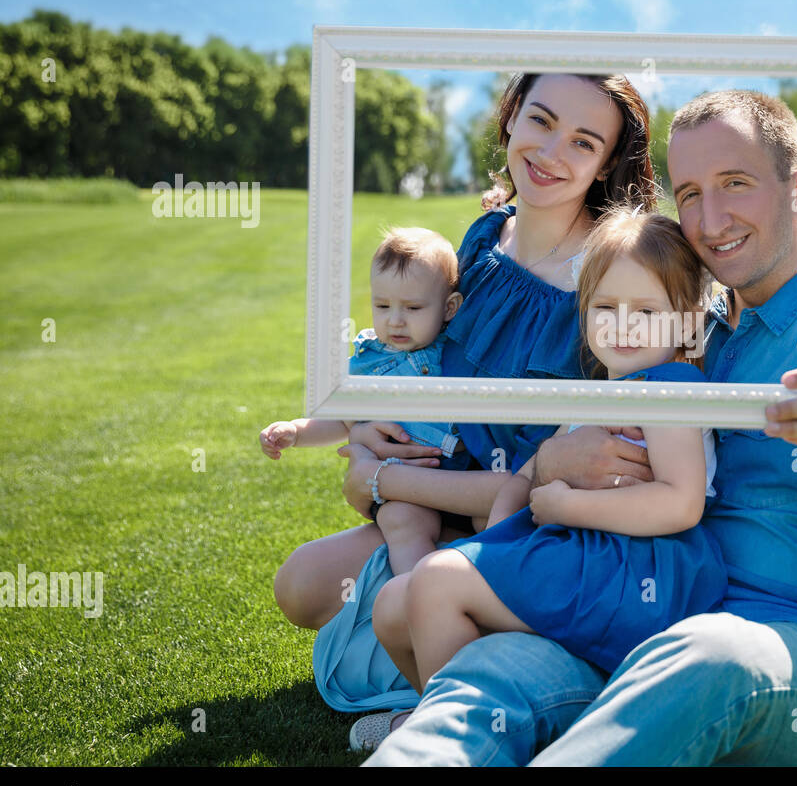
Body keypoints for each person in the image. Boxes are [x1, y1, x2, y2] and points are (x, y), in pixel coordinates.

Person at [364, 89, 797, 766]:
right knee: (486, 680)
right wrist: (550, 464)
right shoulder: (679, 332)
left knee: (708, 655)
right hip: (638, 626)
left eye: (735, 184)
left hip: (793, 655)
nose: (710, 218)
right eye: (688, 192)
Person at [272, 72, 658, 716]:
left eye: (583, 142)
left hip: (535, 519)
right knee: (301, 586)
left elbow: (553, 478)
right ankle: (451, 624)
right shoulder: (484, 238)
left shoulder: (610, 273)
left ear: (608, 162)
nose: (551, 151)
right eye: (540, 120)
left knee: (412, 588)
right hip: (448, 500)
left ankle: (471, 683)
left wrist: (382, 479)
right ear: (511, 117)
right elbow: (421, 364)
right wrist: (367, 429)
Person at [348, 209, 727, 750]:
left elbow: (681, 503)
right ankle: (443, 709)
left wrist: (565, 509)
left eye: (645, 310)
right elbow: (520, 486)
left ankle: (458, 738)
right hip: (575, 555)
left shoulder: (667, 388)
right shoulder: (595, 389)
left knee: (434, 585)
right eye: (605, 308)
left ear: (686, 321)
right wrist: (494, 545)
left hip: (636, 572)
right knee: (394, 605)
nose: (622, 325)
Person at [259, 227, 469, 576]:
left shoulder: (459, 349)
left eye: (413, 307)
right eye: (382, 306)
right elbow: (344, 421)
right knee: (404, 523)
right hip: (403, 485)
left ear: (449, 308)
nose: (395, 320)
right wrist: (296, 431)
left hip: (465, 477)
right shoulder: (368, 362)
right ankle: (413, 593)